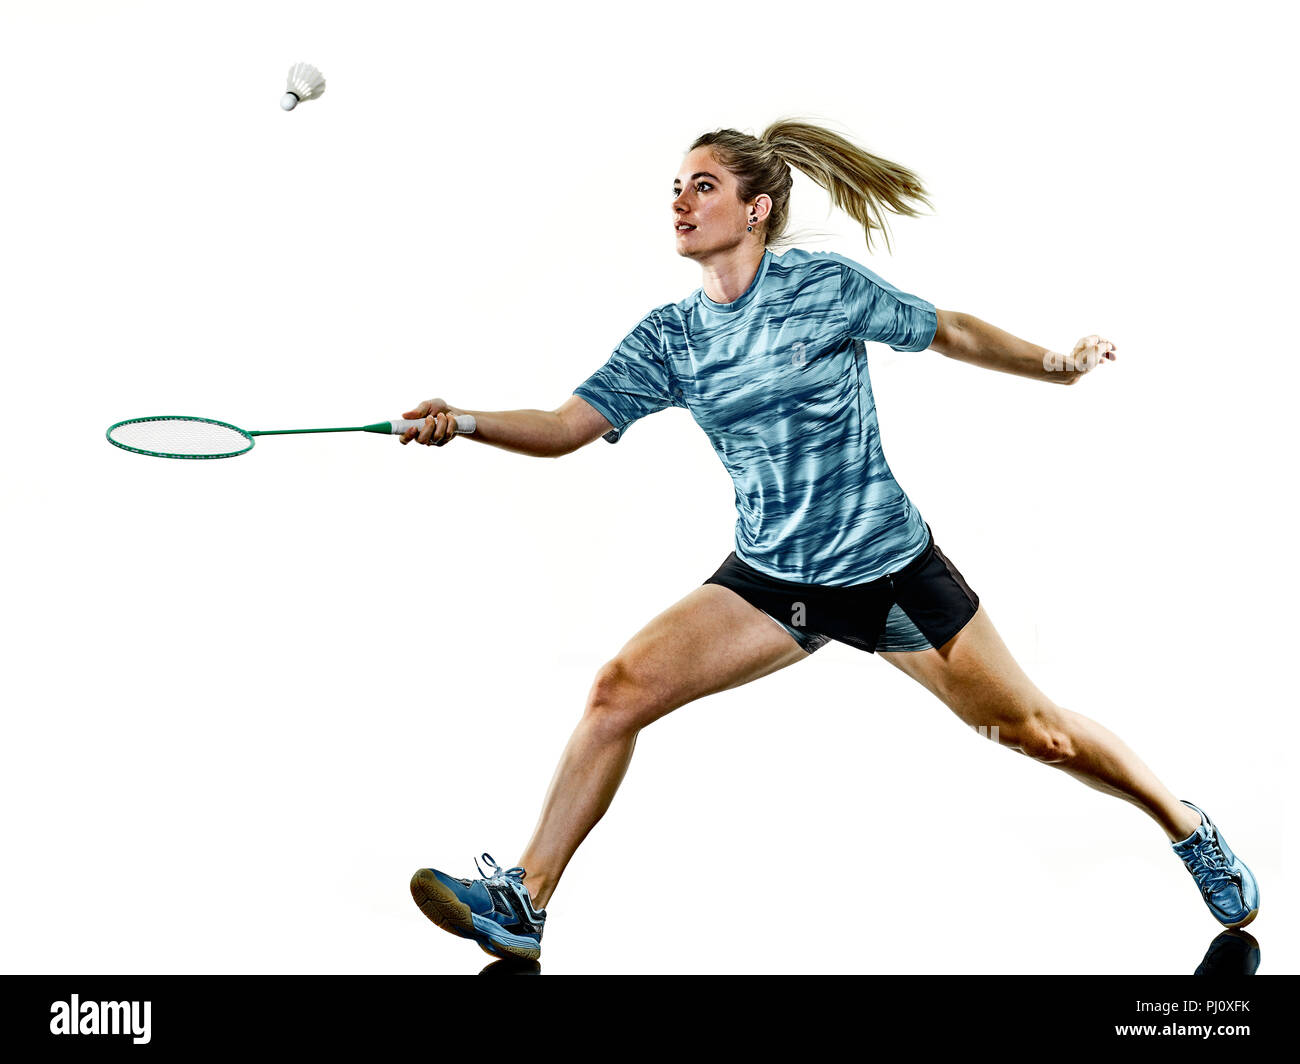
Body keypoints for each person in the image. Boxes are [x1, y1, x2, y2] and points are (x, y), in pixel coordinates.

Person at [402, 121, 1259, 964]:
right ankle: (526, 899)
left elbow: (948, 329)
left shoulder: (824, 289)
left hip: (888, 569)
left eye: (703, 186)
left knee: (1041, 735)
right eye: (675, 187)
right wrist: (464, 422)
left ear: (758, 208)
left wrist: (1056, 366)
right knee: (618, 690)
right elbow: (560, 427)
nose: (680, 201)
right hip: (773, 580)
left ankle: (1185, 825)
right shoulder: (670, 339)